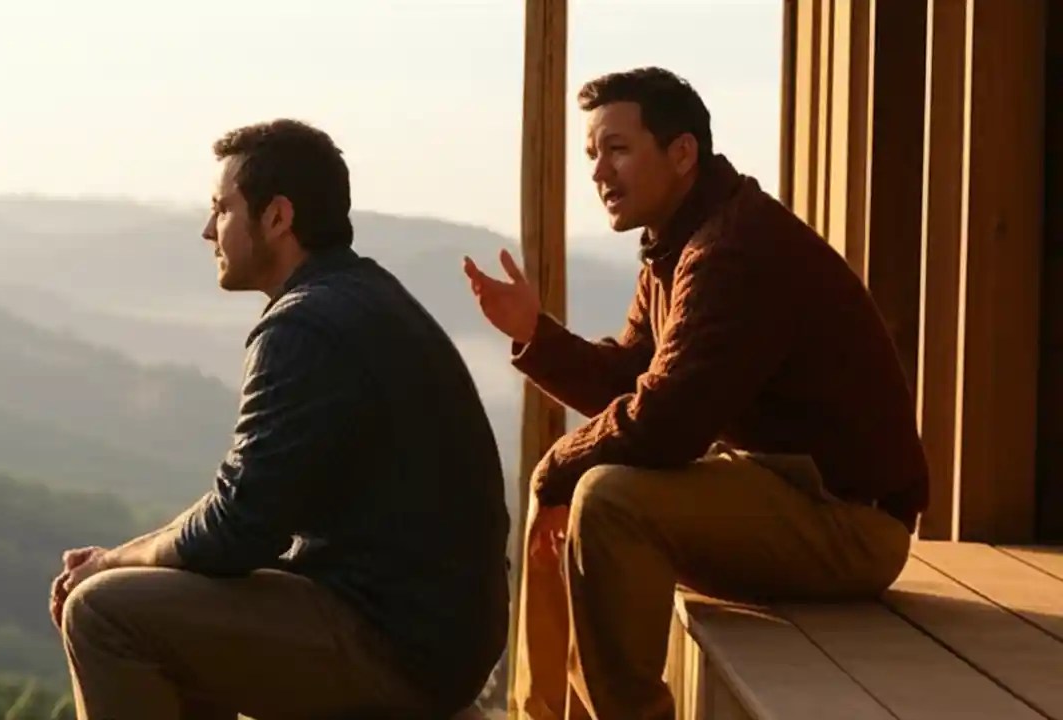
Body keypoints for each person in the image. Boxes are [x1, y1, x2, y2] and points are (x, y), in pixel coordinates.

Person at [464, 67, 929, 720]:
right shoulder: (679, 246)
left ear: (682, 154)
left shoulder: (732, 251)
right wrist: (534, 335)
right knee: (586, 491)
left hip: (849, 523)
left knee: (605, 499)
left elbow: (667, 422)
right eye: (593, 153)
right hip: (786, 492)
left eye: (618, 149)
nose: (599, 172)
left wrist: (557, 467)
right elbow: (634, 376)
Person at [48, 119, 510, 720]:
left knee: (102, 612)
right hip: (441, 634)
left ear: (277, 217)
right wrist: (134, 555)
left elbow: (235, 530)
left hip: (396, 646)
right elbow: (251, 506)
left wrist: (112, 564)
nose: (208, 230)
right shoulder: (361, 295)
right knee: (179, 604)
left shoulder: (304, 326)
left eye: (223, 209)